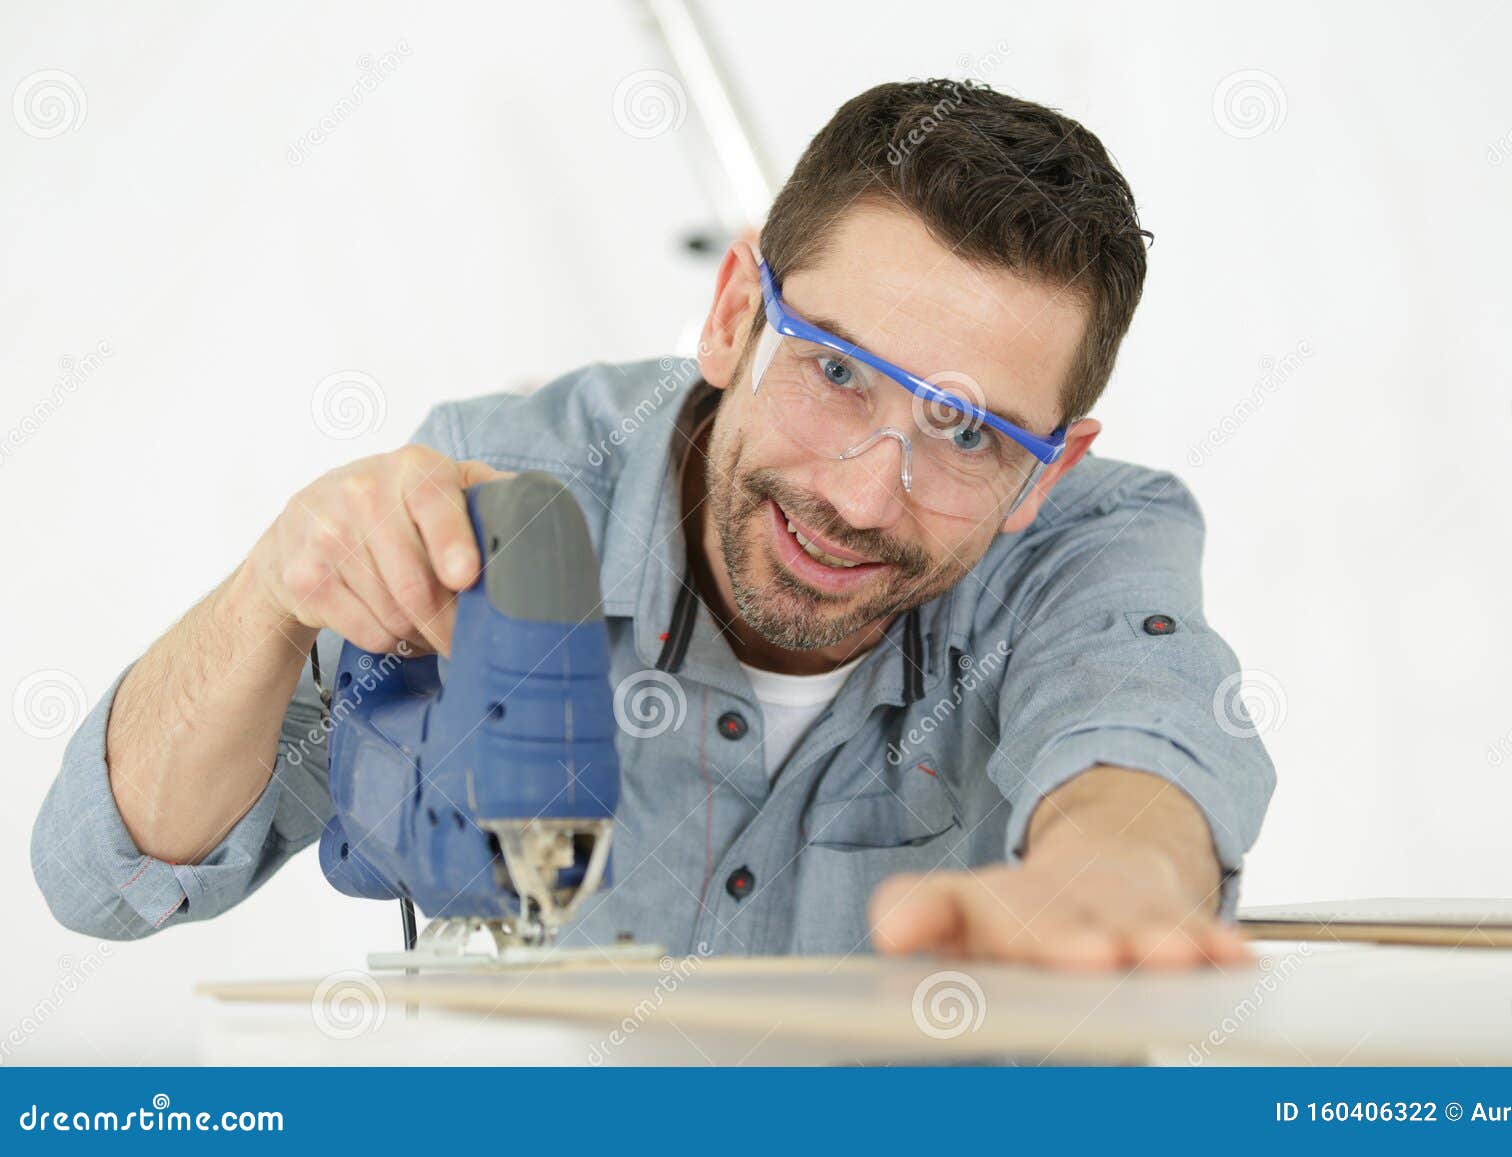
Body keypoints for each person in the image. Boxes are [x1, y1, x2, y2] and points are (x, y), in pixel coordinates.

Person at [32, 79, 1275, 969]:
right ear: (735, 311)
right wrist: (266, 594)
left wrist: (1107, 877)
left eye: (970, 434)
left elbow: (1138, 729)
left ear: (1048, 471)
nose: (858, 493)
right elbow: (106, 880)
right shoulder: (498, 496)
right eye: (836, 370)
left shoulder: (1084, 544)